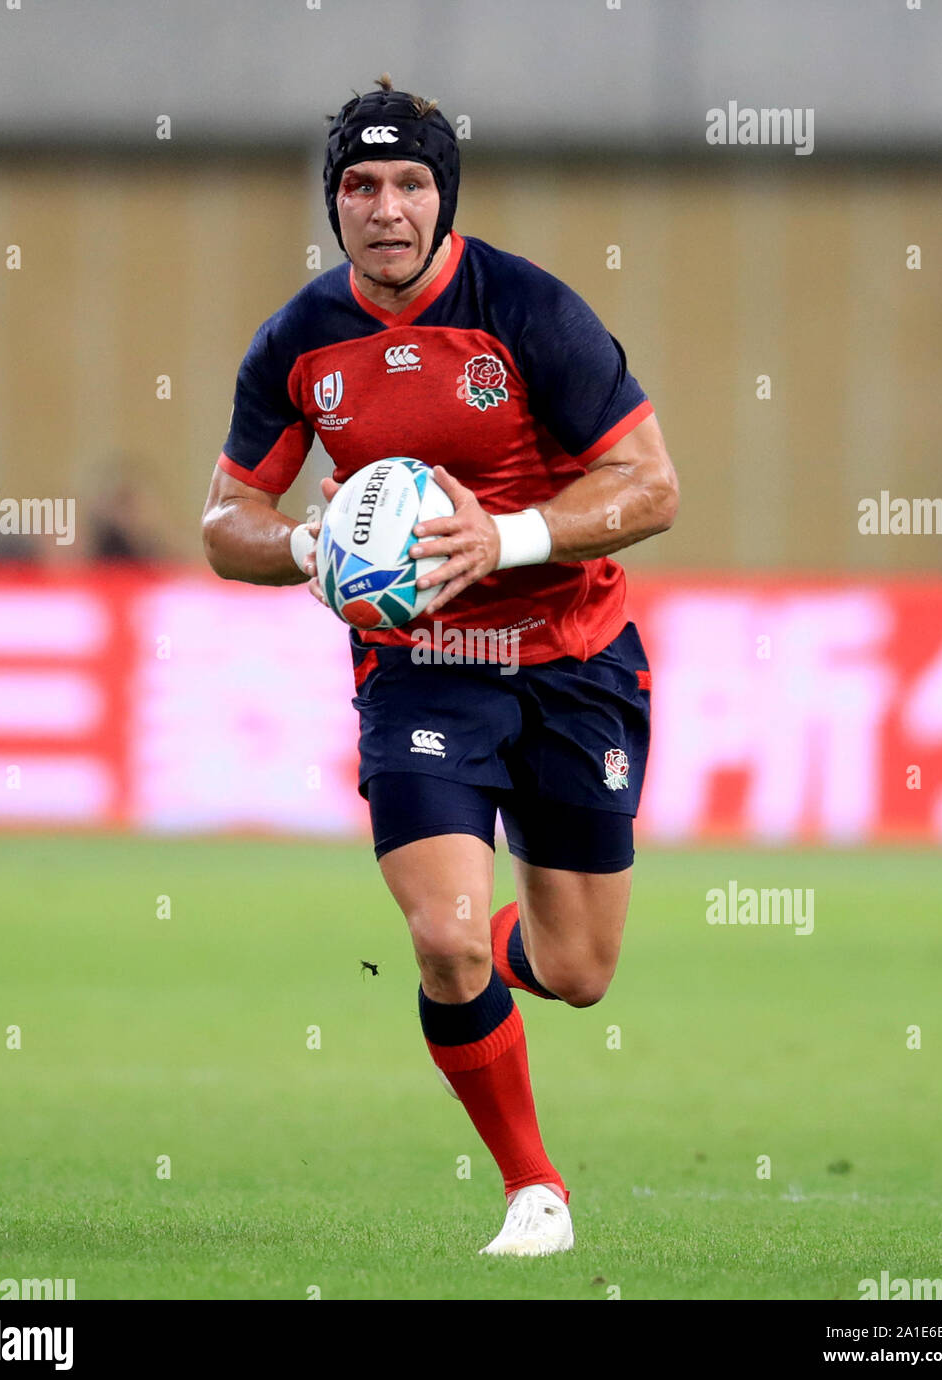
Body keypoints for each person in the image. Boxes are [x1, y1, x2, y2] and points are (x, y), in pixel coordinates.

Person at [202, 74, 679, 1257]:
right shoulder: (300, 343)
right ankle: (534, 1188)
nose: (385, 208)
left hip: (573, 655)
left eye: (410, 183)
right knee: (451, 938)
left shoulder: (527, 311)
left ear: (442, 196)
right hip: (419, 669)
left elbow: (654, 487)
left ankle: (504, 951)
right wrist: (311, 543)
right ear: (335, 204)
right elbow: (225, 523)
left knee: (574, 970)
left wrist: (506, 537)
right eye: (359, 186)